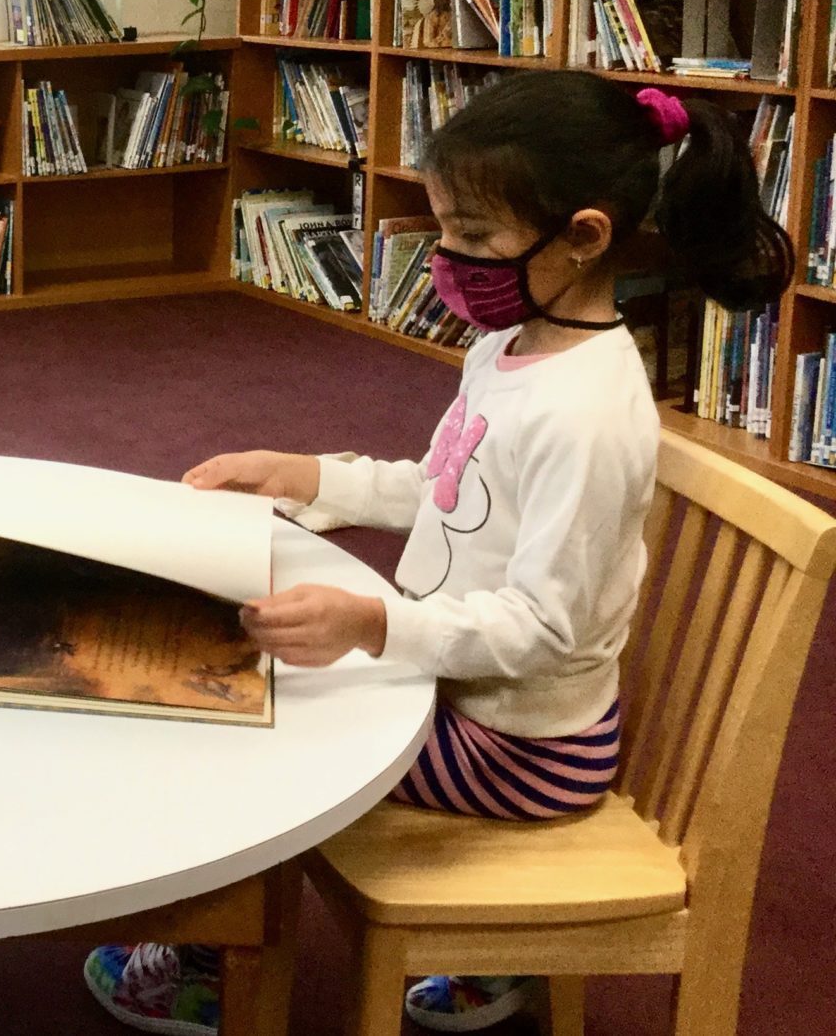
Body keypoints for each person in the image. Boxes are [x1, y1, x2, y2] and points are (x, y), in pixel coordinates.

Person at [82, 73, 789, 1034]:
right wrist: (307, 476)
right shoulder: (510, 348)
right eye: (446, 229)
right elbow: (446, 486)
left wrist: (376, 624)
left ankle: (209, 973)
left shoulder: (587, 415)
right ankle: (486, 973)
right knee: (249, 685)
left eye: (476, 238)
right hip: (459, 697)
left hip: (525, 750)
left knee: (255, 729)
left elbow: (547, 629)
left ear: (584, 236)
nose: (448, 260)